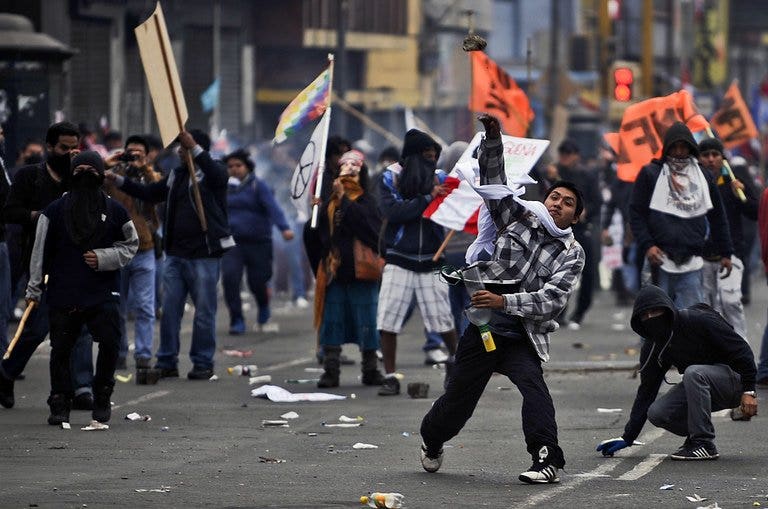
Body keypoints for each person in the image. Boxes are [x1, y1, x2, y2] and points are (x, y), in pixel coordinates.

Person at [420, 114, 585, 484]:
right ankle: (432, 439)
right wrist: (493, 141)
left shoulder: (573, 252)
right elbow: (494, 184)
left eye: (568, 203)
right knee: (459, 400)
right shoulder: (520, 217)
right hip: (483, 327)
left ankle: (546, 460)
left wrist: (505, 303)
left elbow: (552, 301)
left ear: (577, 215)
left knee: (534, 388)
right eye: (554, 197)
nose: (558, 204)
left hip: (522, 331)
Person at [105, 129, 233, 380]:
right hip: (176, 254)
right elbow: (151, 193)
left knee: (204, 312)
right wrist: (118, 181)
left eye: (182, 147)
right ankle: (167, 360)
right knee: (170, 310)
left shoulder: (212, 171)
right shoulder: (177, 174)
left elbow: (219, 177)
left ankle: (202, 362)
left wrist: (195, 147)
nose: (178, 151)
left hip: (204, 254)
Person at [26, 151, 138, 424]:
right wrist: (34, 288)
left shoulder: (115, 210)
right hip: (64, 291)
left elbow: (130, 245)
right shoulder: (53, 211)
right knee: (61, 349)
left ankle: (102, 396)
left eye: (91, 169)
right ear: (71, 175)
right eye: (79, 169)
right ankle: (59, 402)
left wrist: (104, 258)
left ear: (100, 175)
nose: (85, 174)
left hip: (103, 291)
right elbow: (38, 252)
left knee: (110, 344)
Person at [596, 285, 757, 460]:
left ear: (667, 309)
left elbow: (743, 351)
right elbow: (646, 392)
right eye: (645, 315)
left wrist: (749, 391)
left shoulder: (698, 320)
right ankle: (697, 435)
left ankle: (703, 442)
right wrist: (628, 436)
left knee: (693, 373)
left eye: (655, 311)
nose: (651, 318)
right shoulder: (653, 346)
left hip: (735, 381)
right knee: (657, 413)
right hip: (703, 385)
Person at [0, 122, 95, 411]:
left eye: (73, 149)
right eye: (63, 148)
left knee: (80, 326)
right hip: (41, 261)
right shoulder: (30, 177)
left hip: (76, 263)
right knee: (37, 326)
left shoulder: (79, 178)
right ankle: (6, 373)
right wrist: (39, 216)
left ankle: (81, 387)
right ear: (50, 147)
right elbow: (10, 211)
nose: (68, 154)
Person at [376, 129, 458, 396]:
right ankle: (389, 376)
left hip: (433, 259)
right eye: (426, 156)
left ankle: (455, 364)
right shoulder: (391, 176)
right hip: (399, 258)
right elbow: (393, 211)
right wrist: (427, 198)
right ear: (412, 157)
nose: (431, 161)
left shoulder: (441, 178)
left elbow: (460, 202)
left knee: (443, 319)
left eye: (435, 157)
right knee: (388, 319)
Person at [629, 122, 733, 308]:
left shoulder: (703, 176)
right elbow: (636, 213)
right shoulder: (651, 174)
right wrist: (648, 245)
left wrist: (726, 252)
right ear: (667, 147)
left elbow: (718, 216)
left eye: (683, 147)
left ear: (690, 148)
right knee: (655, 322)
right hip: (659, 260)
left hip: (692, 262)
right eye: (674, 147)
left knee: (690, 323)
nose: (678, 152)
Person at [313, 150, 384, 388]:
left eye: (352, 175)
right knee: (332, 321)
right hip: (335, 272)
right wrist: (319, 211)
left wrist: (345, 201)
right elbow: (318, 236)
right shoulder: (329, 203)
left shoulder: (368, 201)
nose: (347, 181)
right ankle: (331, 370)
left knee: (367, 322)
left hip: (362, 273)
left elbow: (370, 232)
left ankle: (370, 369)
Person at [104, 135, 162, 373]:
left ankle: (143, 355)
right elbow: (96, 186)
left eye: (139, 153)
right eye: (130, 152)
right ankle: (118, 353)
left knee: (145, 307)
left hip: (145, 248)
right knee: (117, 306)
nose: (134, 156)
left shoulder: (151, 175)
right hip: (118, 248)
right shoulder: (111, 175)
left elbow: (157, 191)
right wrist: (107, 164)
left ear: (147, 155)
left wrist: (143, 167)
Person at [222, 149, 293, 334]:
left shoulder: (257, 186)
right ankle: (236, 319)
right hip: (232, 243)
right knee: (230, 279)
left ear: (247, 167)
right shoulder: (223, 188)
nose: (234, 169)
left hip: (258, 241)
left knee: (258, 281)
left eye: (238, 165)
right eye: (230, 166)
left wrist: (284, 227)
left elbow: (273, 207)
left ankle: (263, 306)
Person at [698, 138, 758, 340]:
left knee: (730, 301)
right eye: (706, 155)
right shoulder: (695, 182)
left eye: (715, 155)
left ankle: (741, 348)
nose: (711, 159)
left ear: (722, 158)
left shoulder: (733, 180)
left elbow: (755, 212)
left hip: (731, 253)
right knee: (709, 308)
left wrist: (743, 193)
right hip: (703, 256)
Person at [546, 139, 601, 329]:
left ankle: (579, 312)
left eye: (568, 154)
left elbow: (597, 200)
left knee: (588, 272)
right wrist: (552, 179)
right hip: (560, 230)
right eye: (562, 154)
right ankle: (559, 312)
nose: (565, 158)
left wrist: (586, 211)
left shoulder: (587, 175)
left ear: (576, 155)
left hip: (582, 229)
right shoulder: (555, 173)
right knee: (558, 272)